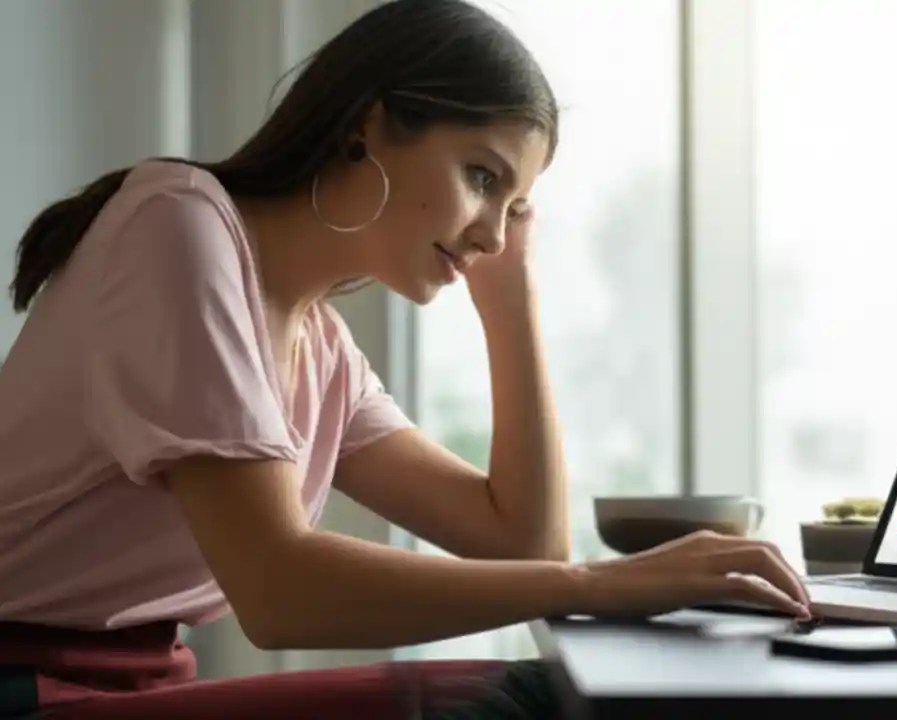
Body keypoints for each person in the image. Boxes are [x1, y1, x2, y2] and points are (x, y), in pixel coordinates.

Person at [0, 1, 811, 717]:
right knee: (521, 701)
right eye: (481, 177)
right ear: (368, 126)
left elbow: (521, 544)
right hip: (24, 685)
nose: (495, 230)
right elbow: (281, 591)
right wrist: (606, 585)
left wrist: (509, 297)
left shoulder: (320, 348)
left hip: (133, 689)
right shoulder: (175, 225)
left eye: (517, 205)